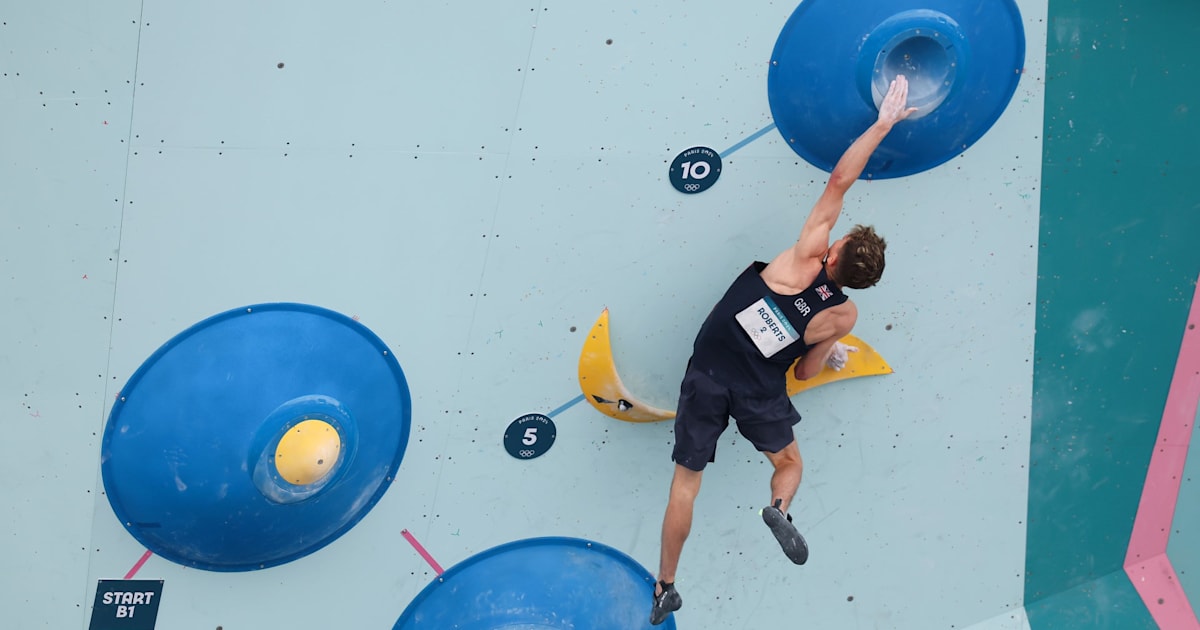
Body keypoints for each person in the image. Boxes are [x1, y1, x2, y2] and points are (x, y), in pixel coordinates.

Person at [649, 75, 917, 625]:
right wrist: (830, 347)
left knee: (685, 487)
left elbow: (841, 180)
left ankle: (666, 588)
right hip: (758, 388)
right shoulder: (842, 315)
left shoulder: (805, 257)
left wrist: (883, 123)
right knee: (790, 462)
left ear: (834, 252)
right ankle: (779, 508)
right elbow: (808, 370)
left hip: (709, 368)